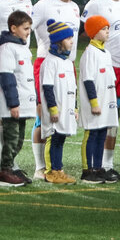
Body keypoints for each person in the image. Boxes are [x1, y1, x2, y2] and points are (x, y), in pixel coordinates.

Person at [31, 0, 80, 180]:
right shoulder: (42, 6)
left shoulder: (75, 7)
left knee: (63, 117)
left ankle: (55, 166)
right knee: (43, 117)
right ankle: (40, 167)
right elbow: (26, 27)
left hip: (68, 65)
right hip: (46, 63)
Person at [81, 0, 120, 179]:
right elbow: (86, 30)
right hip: (103, 67)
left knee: (113, 117)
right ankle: (91, 166)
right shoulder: (96, 4)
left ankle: (107, 165)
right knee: (98, 119)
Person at [0, 10, 36, 186]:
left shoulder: (21, 47)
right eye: (25, 28)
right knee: (11, 139)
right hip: (14, 105)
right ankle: (5, 171)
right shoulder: (7, 48)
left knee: (18, 139)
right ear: (13, 28)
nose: (28, 32)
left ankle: (9, 169)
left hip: (23, 103)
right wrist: (13, 103)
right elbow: (7, 76)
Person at [78, 15, 118, 184]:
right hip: (95, 104)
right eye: (103, 29)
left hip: (106, 103)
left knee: (102, 134)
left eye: (108, 28)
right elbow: (88, 79)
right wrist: (94, 102)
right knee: (92, 133)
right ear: (94, 32)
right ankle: (87, 170)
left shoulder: (106, 53)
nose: (107, 31)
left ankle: (98, 167)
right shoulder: (90, 53)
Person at [38, 19, 78, 185]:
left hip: (67, 108)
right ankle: (50, 171)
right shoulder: (50, 63)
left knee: (61, 138)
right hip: (56, 109)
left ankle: (59, 169)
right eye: (68, 39)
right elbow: (48, 87)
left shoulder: (67, 62)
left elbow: (73, 87)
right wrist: (52, 108)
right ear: (59, 41)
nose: (72, 41)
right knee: (53, 137)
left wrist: (74, 107)